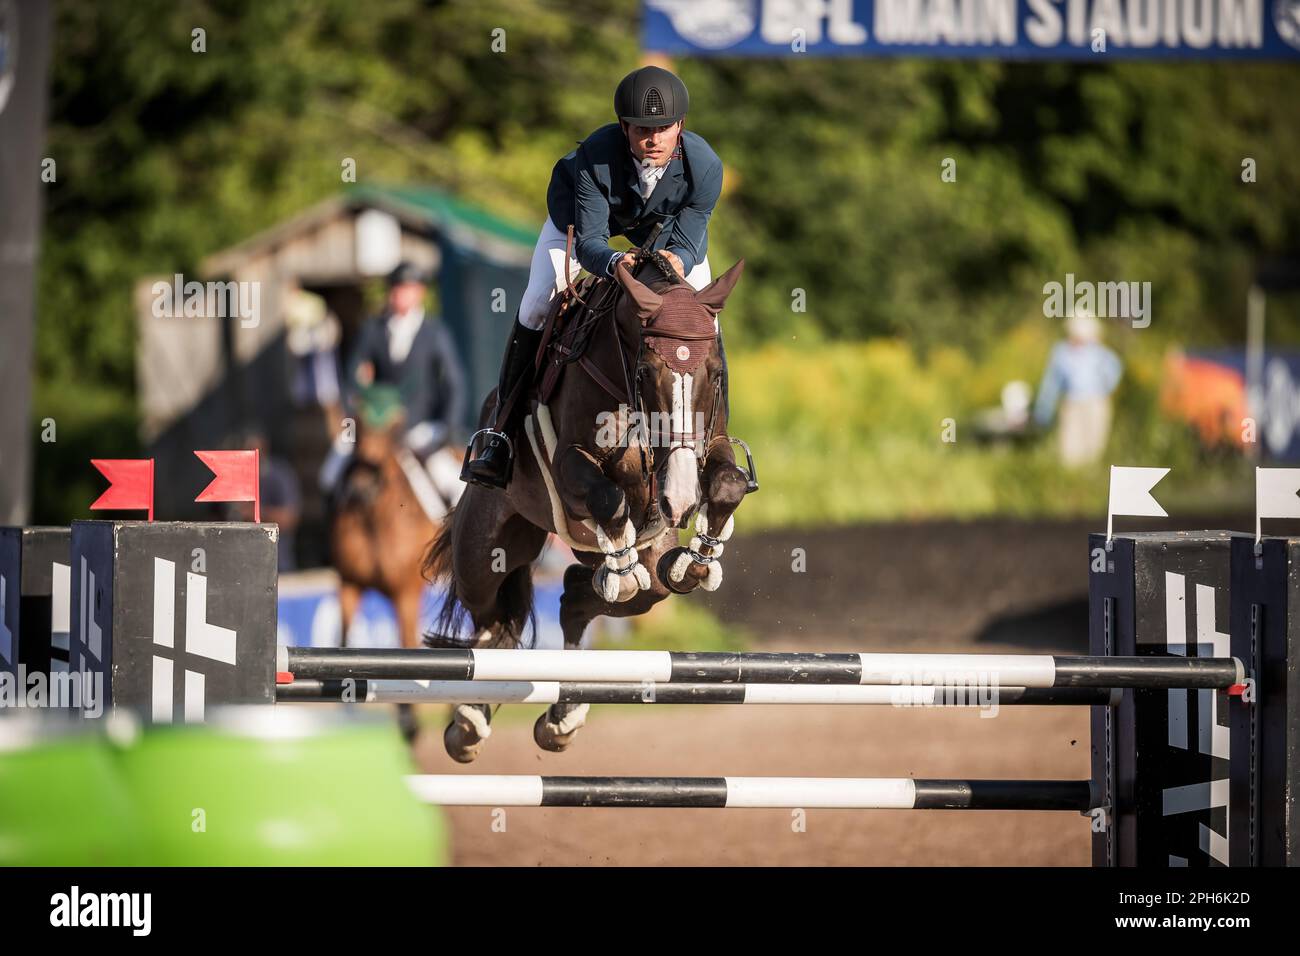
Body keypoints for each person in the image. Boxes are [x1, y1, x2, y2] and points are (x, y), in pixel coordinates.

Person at [460, 65, 725, 489]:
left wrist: (672, 261)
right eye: (641, 129)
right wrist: (620, 264)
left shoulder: (705, 167)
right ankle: (501, 434)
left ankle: (713, 444)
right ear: (623, 127)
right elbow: (592, 242)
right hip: (581, 226)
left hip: (663, 232)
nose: (652, 139)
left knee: (703, 318)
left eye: (663, 128)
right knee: (535, 303)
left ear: (681, 126)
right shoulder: (595, 159)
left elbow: (689, 244)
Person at [319, 262, 467, 511]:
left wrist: (449, 425)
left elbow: (455, 382)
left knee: (454, 485)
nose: (400, 295)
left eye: (407, 289)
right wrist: (355, 414)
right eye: (396, 289)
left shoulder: (435, 333)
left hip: (419, 426)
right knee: (330, 473)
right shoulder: (373, 329)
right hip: (377, 427)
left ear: (419, 292)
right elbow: (351, 377)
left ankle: (452, 541)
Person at [1033, 311, 1123, 468]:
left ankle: (1086, 485)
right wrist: (1043, 412)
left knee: (1093, 449)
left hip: (1095, 403)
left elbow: (1114, 371)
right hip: (1071, 403)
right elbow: (1051, 384)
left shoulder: (1099, 353)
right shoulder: (1061, 351)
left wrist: (1105, 390)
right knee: (1069, 452)